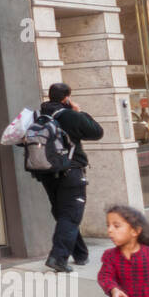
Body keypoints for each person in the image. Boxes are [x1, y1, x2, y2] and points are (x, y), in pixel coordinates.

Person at [32, 82, 104, 274]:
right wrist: (79, 112)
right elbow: (97, 132)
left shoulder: (38, 116)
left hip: (46, 173)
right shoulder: (70, 115)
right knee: (71, 215)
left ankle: (80, 254)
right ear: (66, 98)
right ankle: (58, 257)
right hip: (70, 171)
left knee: (63, 214)